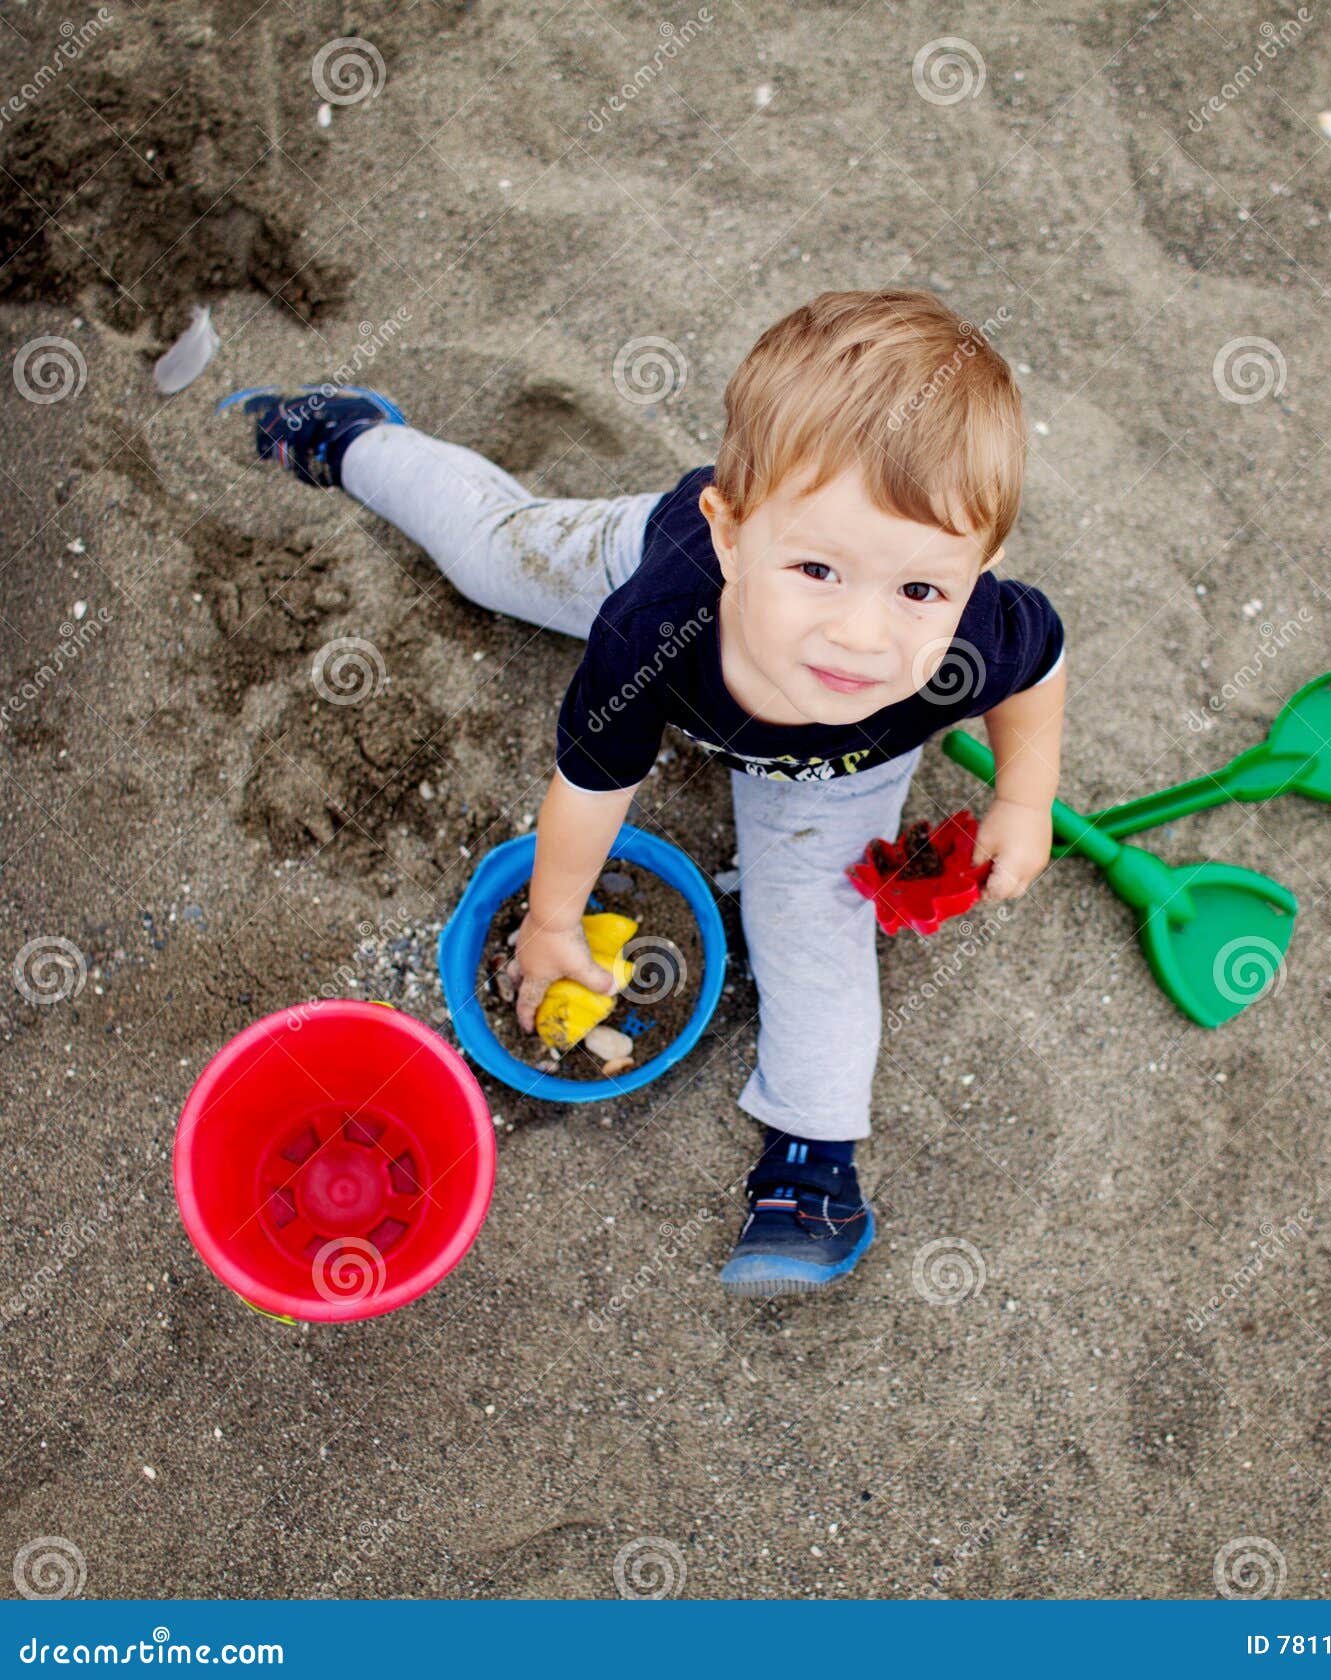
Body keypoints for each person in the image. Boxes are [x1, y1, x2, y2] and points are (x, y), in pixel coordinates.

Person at [218, 288, 1066, 1297]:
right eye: (816, 568)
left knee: (817, 935)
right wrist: (551, 920)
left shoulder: (976, 634)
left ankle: (812, 1170)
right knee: (497, 552)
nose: (862, 637)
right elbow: (590, 786)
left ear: (979, 571)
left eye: (919, 588)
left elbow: (1039, 665)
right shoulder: (653, 621)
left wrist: (1024, 792)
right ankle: (356, 442)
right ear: (733, 528)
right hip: (667, 592)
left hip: (841, 774)